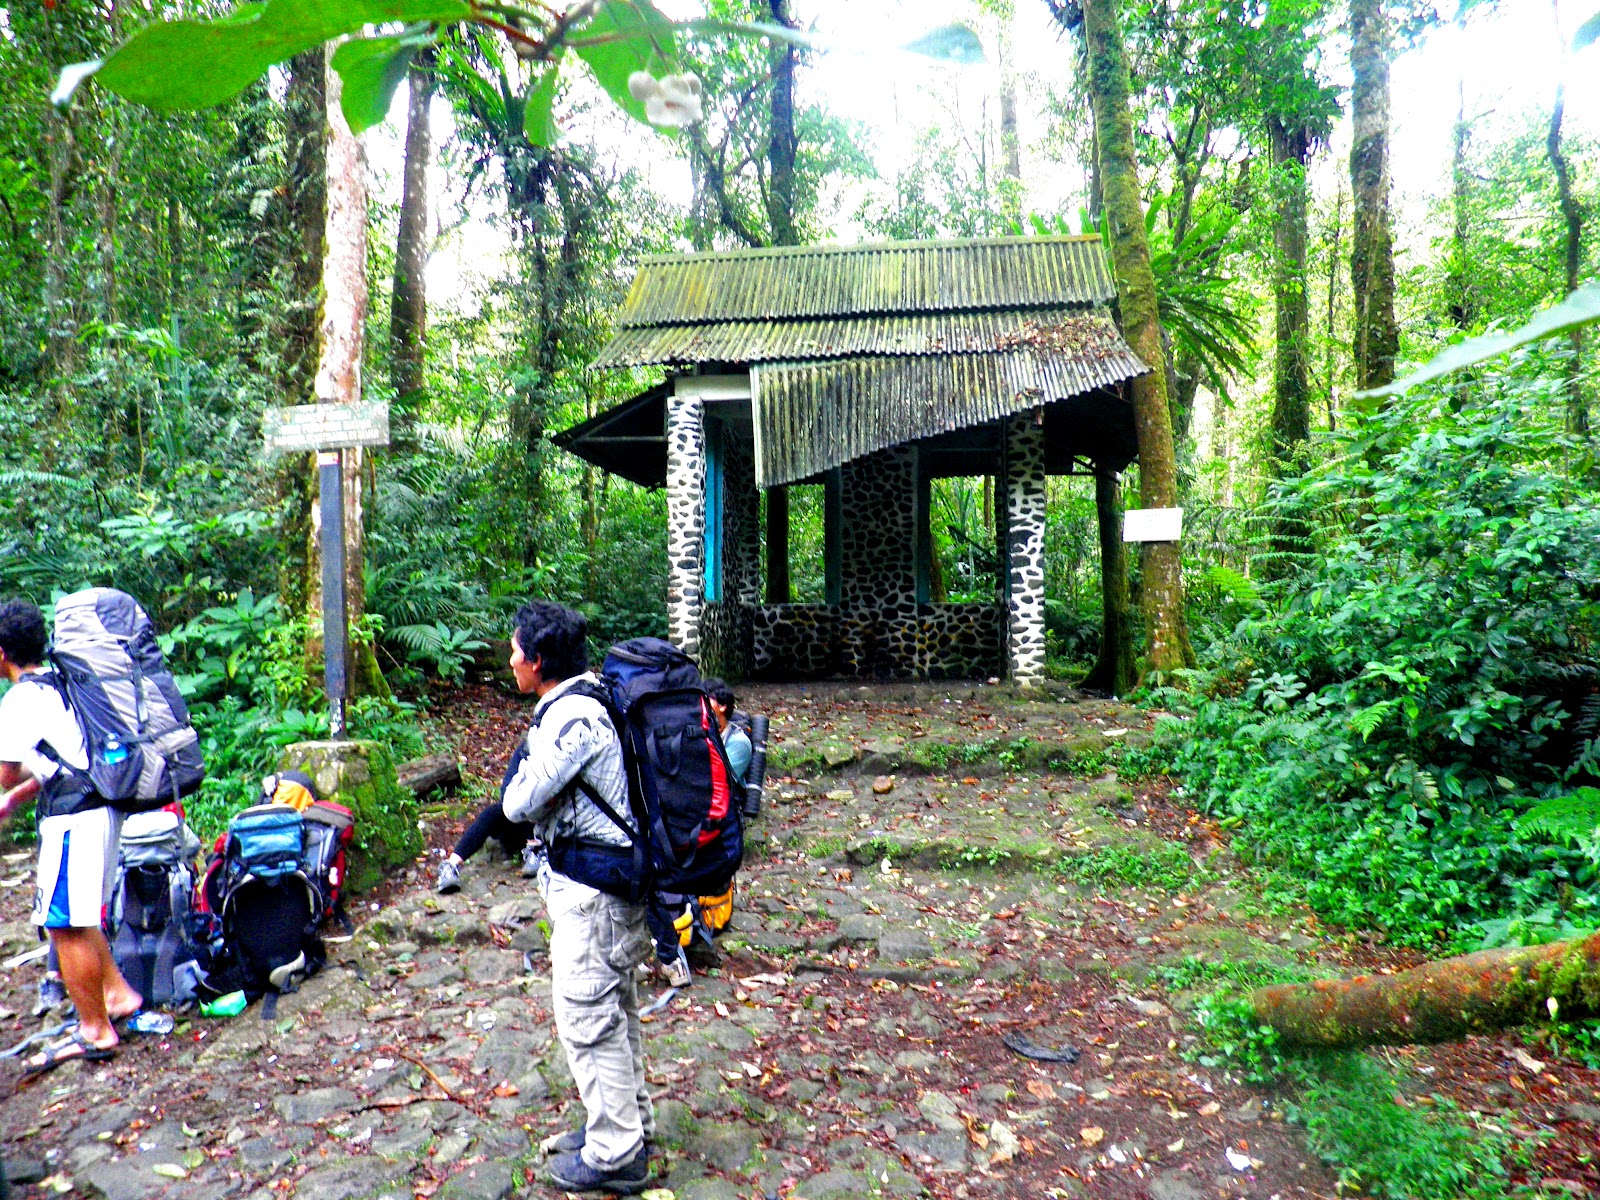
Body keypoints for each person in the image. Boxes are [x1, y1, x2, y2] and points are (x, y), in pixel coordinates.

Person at [498, 601, 653, 1195]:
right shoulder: (592, 700)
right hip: (607, 889)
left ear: (538, 662)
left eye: (515, 650)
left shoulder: (574, 719)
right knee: (615, 1008)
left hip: (595, 896)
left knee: (588, 1017)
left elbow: (517, 805)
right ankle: (627, 1125)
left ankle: (616, 1153)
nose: (509, 659)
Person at [0, 600, 144, 1073]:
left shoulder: (20, 699)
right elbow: (60, 759)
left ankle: (95, 1030)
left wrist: (10, 781)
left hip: (73, 818)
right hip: (99, 805)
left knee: (63, 923)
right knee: (80, 919)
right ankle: (117, 997)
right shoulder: (64, 681)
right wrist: (18, 799)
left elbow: (7, 770)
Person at [643, 678, 751, 987]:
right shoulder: (698, 736)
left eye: (711, 700)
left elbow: (724, 780)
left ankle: (674, 947)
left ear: (723, 707)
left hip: (720, 810)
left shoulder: (737, 742)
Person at [435, 796, 538, 895]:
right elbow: (507, 794)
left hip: (543, 826)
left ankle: (535, 851)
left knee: (532, 803)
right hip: (515, 824)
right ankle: (450, 865)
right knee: (494, 811)